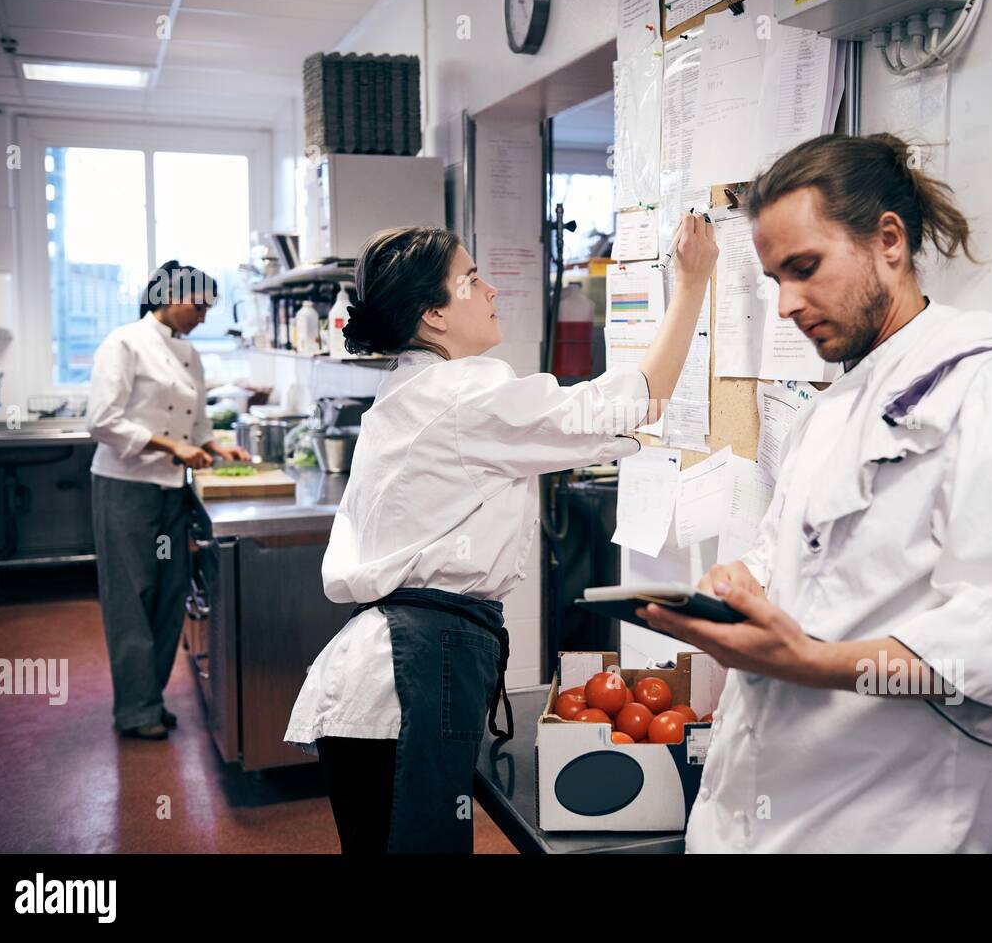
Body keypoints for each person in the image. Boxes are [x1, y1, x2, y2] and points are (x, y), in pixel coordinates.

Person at [638, 133, 992, 852]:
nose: (787, 305)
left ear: (889, 241)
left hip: (899, 829)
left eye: (805, 268)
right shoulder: (831, 411)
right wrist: (740, 581)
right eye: (775, 280)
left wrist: (810, 663)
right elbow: (787, 556)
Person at [285, 216, 718, 853]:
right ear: (434, 314)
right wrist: (692, 282)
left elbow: (591, 426)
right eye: (471, 279)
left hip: (387, 678)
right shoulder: (460, 391)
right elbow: (635, 402)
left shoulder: (413, 389)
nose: (491, 290)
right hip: (406, 679)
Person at [87, 261, 251, 741]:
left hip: (170, 491)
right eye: (197, 306)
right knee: (131, 596)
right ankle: (135, 709)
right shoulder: (124, 343)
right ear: (168, 296)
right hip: (126, 487)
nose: (203, 317)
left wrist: (215, 445)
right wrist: (171, 446)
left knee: (167, 592)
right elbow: (101, 420)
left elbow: (196, 423)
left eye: (208, 308)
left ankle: (150, 698)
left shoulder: (189, 354)